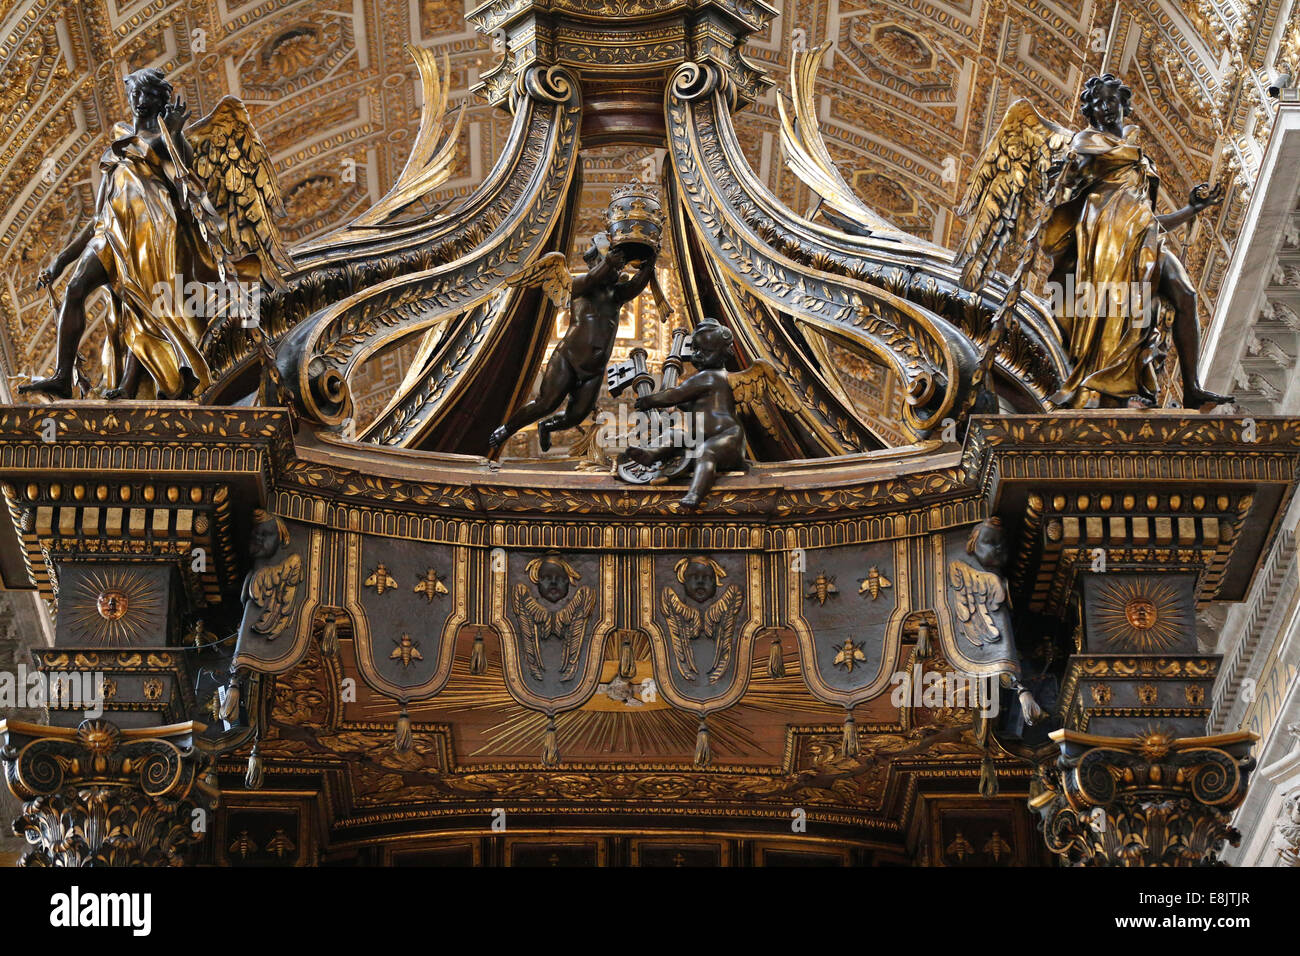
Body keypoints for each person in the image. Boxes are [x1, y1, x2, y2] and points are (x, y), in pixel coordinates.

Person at [23, 68, 219, 400]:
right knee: (75, 287)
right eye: (136, 94)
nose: (141, 101)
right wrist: (61, 259)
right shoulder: (116, 150)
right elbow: (99, 215)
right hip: (111, 233)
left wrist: (175, 132)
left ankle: (129, 386)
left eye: (150, 96)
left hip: (153, 233)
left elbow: (185, 177)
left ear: (161, 101)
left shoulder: (167, 139)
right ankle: (61, 375)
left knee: (140, 308)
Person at [1045, 74, 1232, 410]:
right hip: (1105, 237)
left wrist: (1192, 209)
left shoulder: (1141, 159)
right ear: (1091, 110)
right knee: (1118, 309)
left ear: (1123, 104)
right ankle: (1106, 382)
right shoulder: (1087, 143)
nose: (1105, 108)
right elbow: (1068, 173)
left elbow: (1147, 220)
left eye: (1110, 100)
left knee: (1186, 295)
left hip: (1142, 236)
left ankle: (1192, 387)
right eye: (1098, 103)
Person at [489, 239, 657, 451]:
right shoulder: (578, 285)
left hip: (594, 370)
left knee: (577, 415)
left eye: (620, 266)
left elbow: (636, 285)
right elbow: (592, 278)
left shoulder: (616, 295)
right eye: (614, 264)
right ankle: (507, 428)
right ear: (596, 263)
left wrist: (650, 263)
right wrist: (609, 262)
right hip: (567, 360)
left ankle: (547, 426)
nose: (618, 269)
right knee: (545, 403)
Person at [626, 318, 747, 510]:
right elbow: (689, 404)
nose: (698, 356)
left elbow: (674, 394)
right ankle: (651, 453)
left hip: (728, 438)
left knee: (706, 453)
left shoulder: (709, 376)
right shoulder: (707, 382)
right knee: (675, 434)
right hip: (699, 437)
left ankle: (695, 494)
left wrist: (649, 400)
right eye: (696, 351)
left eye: (706, 352)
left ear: (724, 353)